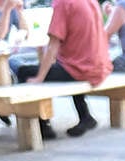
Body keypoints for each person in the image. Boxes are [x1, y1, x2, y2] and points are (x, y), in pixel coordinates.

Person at [16, 0, 112, 139]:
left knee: (24, 72)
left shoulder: (62, 3)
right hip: (100, 65)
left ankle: (43, 125)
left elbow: (53, 44)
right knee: (66, 65)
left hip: (82, 69)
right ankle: (85, 116)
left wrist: (40, 77)